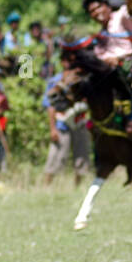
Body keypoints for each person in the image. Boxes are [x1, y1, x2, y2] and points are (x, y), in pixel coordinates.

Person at [43, 54, 90, 186]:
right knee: (56, 158)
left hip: (79, 123)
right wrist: (53, 128)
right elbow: (50, 106)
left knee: (81, 157)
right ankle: (46, 188)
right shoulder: (54, 81)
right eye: (66, 60)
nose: (69, 63)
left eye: (71, 60)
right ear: (62, 62)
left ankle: (77, 188)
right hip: (62, 124)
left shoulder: (83, 80)